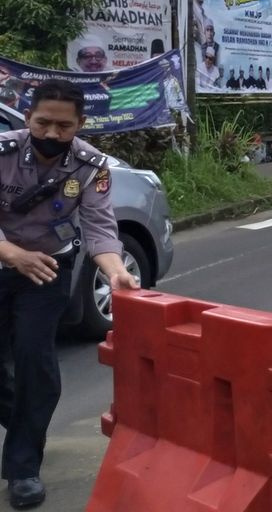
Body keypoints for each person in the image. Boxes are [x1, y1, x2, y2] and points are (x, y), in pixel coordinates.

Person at [0, 80, 139, 508]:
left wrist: (116, 272)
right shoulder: (2, 152)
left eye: (64, 126)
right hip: (4, 257)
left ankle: (23, 467)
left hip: (46, 272)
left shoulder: (91, 166)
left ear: (80, 124)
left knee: (35, 360)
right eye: (43, 123)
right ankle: (26, 422)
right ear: (27, 118)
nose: (52, 134)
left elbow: (99, 227)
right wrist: (12, 254)